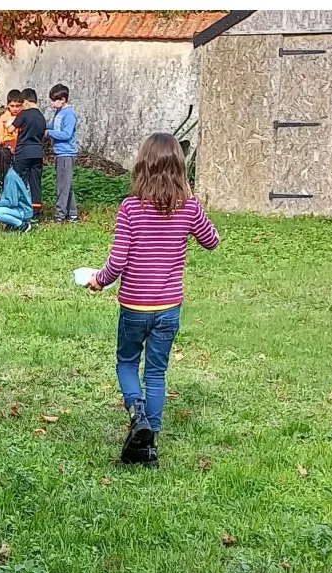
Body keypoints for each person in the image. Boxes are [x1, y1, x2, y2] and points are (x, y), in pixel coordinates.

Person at [88, 133, 219, 467]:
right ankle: (150, 445)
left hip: (134, 306)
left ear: (142, 166)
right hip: (168, 309)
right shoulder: (188, 207)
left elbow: (117, 261)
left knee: (127, 363)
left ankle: (137, 414)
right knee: (157, 373)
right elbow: (212, 241)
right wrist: (193, 200)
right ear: (179, 168)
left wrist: (98, 280)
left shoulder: (131, 208)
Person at [47, 83, 79, 224]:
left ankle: (59, 216)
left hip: (66, 153)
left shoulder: (69, 114)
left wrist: (48, 133)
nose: (52, 103)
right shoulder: (58, 112)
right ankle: (72, 215)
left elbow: (66, 134)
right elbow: (52, 125)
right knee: (66, 185)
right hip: (59, 153)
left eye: (55, 100)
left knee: (62, 186)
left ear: (63, 99)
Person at [12, 88, 46, 220]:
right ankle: (36, 210)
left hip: (23, 153)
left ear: (26, 101)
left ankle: (20, 207)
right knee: (35, 182)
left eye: (21, 103)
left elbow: (11, 128)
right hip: (37, 153)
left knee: (19, 180)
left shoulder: (24, 114)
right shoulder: (41, 117)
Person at [0, 148, 33, 233]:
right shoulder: (9, 173)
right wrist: (1, 195)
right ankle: (12, 223)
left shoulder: (10, 176)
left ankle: (22, 225)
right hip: (17, 207)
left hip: (22, 210)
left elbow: (12, 202)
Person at [0, 89, 22, 188]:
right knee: (7, 174)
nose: (15, 109)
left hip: (20, 148)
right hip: (7, 149)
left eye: (18, 106)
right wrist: (8, 143)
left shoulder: (24, 116)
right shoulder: (3, 118)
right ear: (7, 105)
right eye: (12, 106)